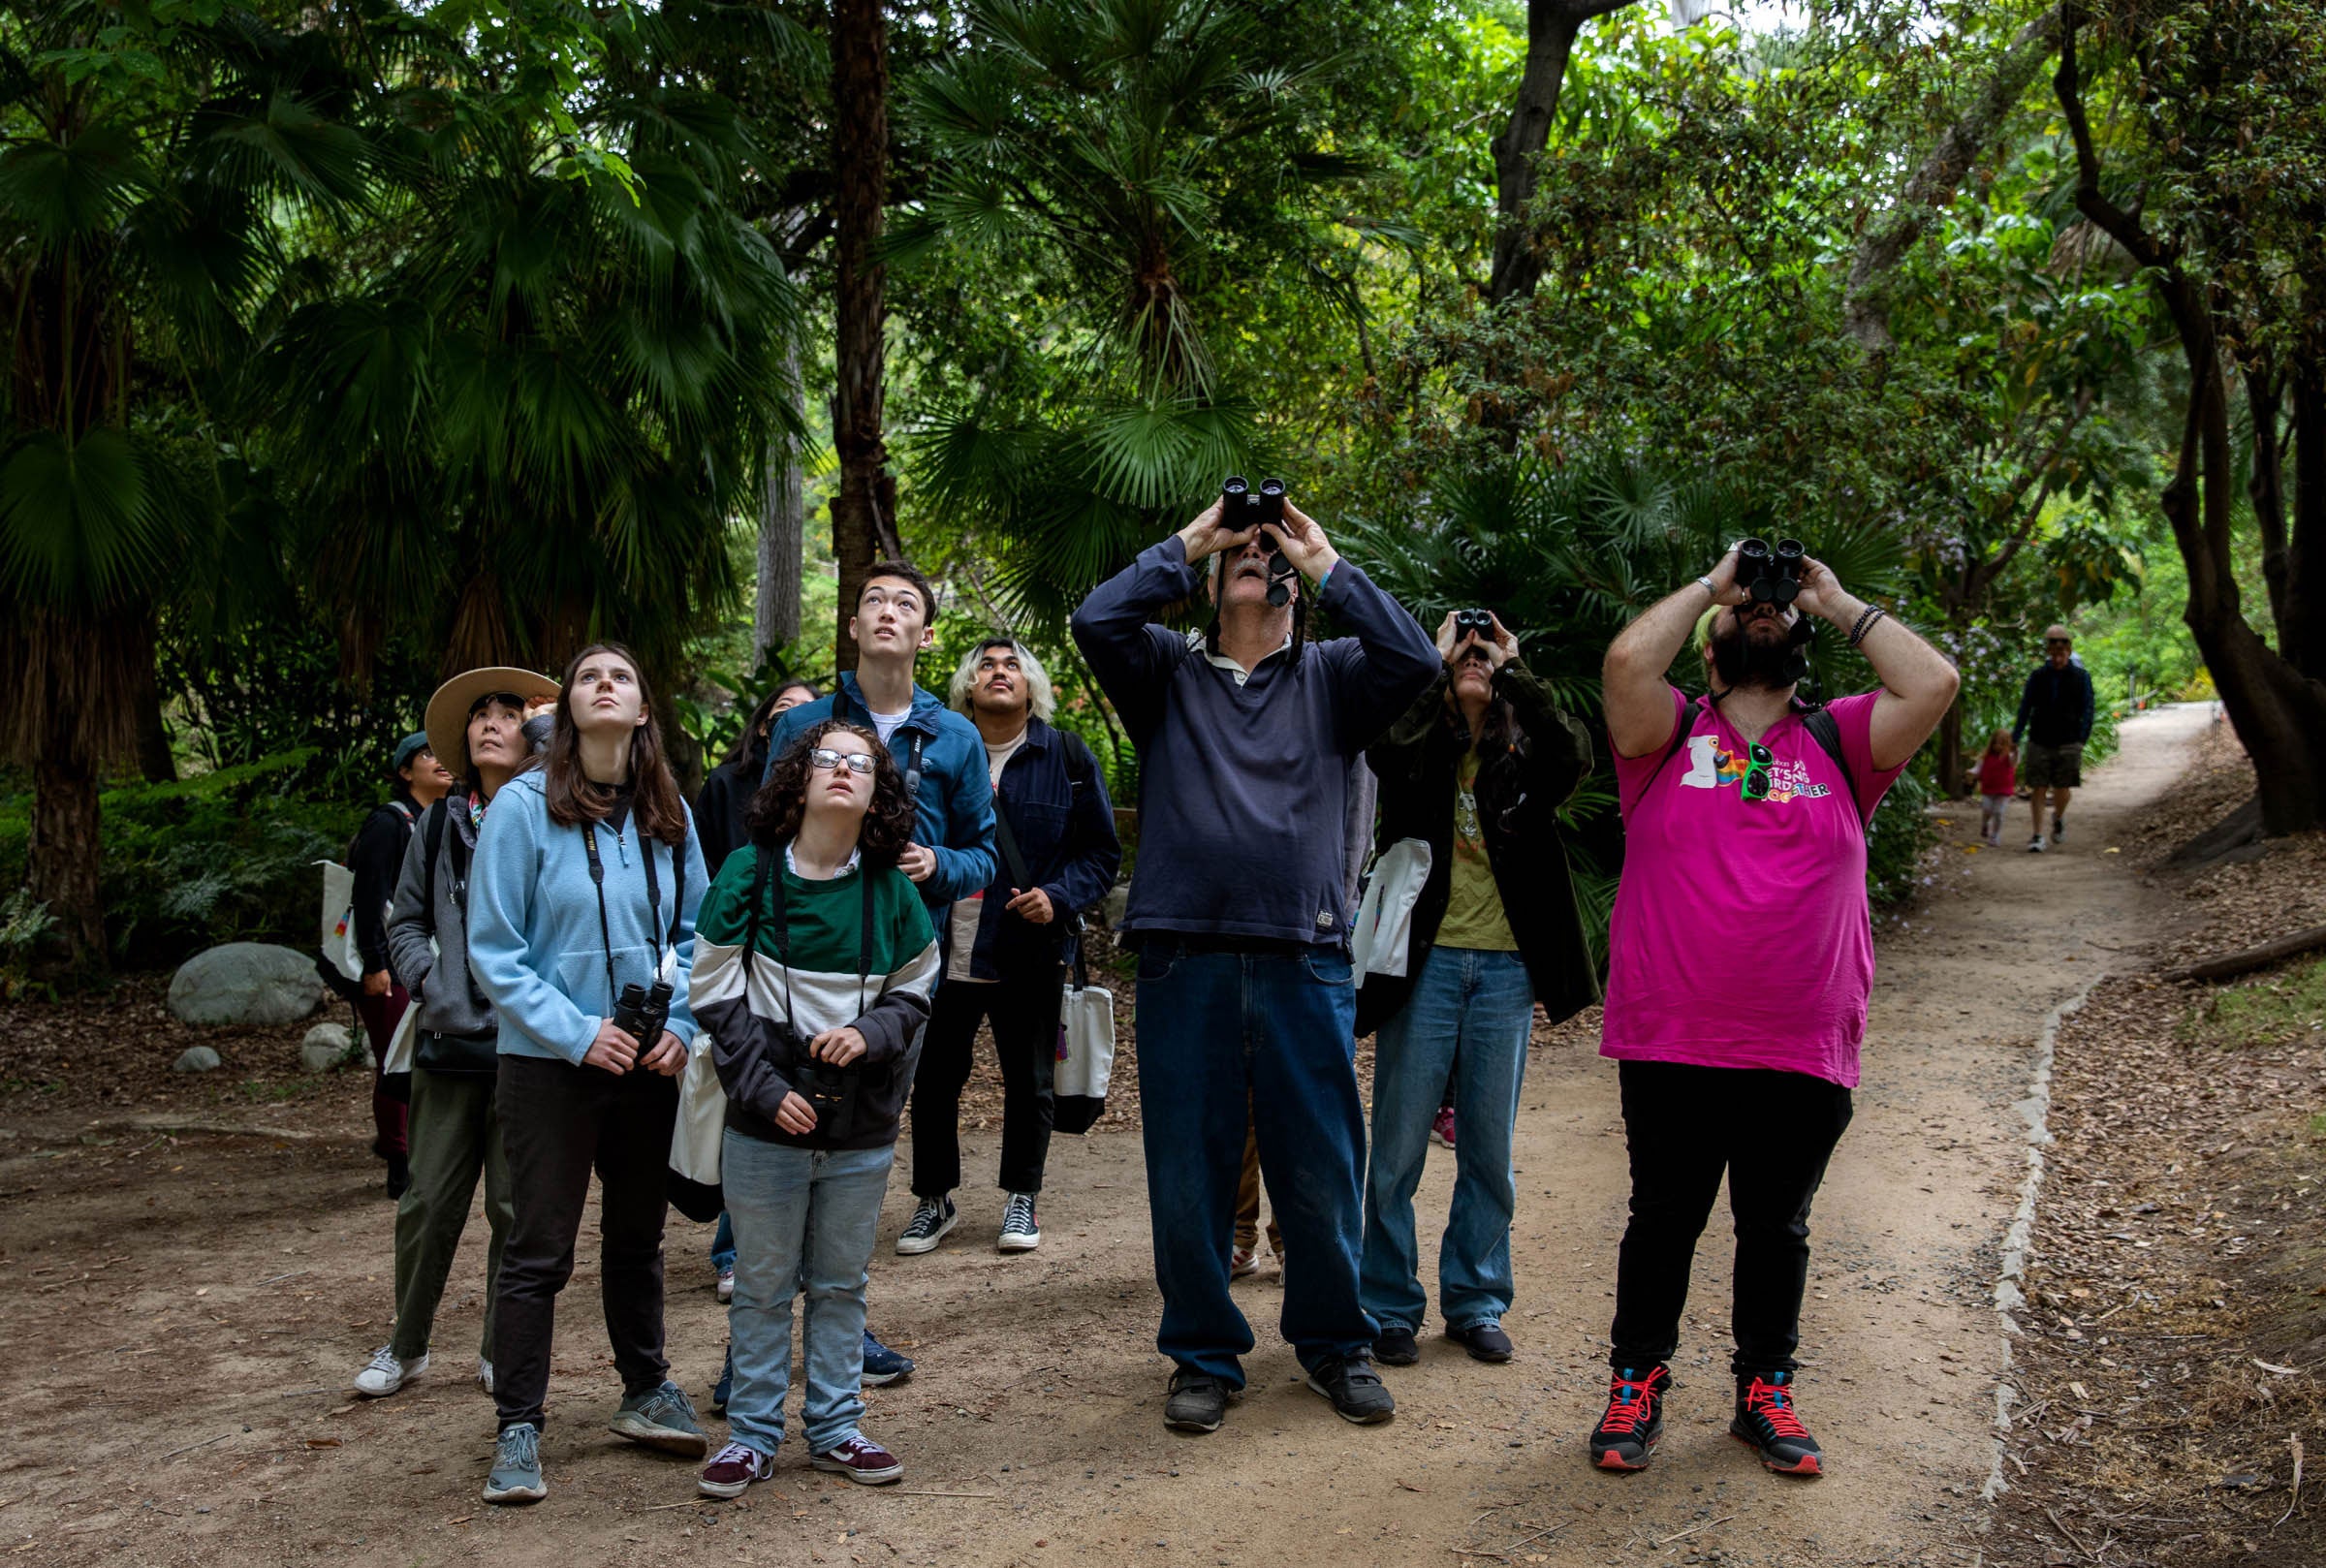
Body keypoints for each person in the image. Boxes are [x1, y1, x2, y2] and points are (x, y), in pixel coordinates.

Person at [1072, 489, 1438, 1434]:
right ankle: (1202, 1355)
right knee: (1188, 1172)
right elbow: (1096, 619)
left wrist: (1319, 553)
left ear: (1295, 587)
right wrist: (1200, 534)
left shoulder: (1334, 674)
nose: (1255, 554)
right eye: (1239, 551)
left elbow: (1416, 659)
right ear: (1206, 583)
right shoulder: (1166, 670)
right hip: (1183, 956)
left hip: (1303, 957)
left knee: (1320, 1167)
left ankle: (1336, 1346)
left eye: (1269, 553)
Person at [1587, 548, 1956, 1477]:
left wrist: (1830, 598)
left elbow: (1935, 683)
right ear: (1711, 650)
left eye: (1776, 609)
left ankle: (1764, 1390)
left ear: (1803, 645)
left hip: (1802, 1039)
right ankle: (1636, 1383)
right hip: (1674, 1038)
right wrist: (1714, 586)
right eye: (1743, 611)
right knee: (1662, 1219)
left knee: (1775, 1227)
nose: (1764, 611)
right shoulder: (1666, 734)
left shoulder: (1842, 742)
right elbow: (1626, 662)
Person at [467, 643, 712, 1505]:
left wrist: (681, 1024)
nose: (605, 685)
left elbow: (699, 935)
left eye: (622, 677)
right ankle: (518, 1424)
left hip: (647, 1060)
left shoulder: (666, 809)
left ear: (643, 710)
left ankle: (645, 1390)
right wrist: (578, 1034)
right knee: (538, 1249)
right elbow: (494, 951)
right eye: (587, 677)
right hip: (550, 1065)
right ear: (566, 708)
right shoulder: (521, 808)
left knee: (639, 1239)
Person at [690, 719, 942, 1497]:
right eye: (826, 758)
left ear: (877, 794)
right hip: (766, 1119)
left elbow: (916, 991)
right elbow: (712, 993)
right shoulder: (748, 871)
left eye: (859, 764)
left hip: (859, 1121)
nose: (840, 770)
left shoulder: (891, 890)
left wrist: (867, 1034)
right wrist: (767, 1090)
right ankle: (753, 1436)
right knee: (762, 1282)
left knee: (840, 1282)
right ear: (799, 778)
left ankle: (835, 1427)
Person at [762, 561, 995, 1383]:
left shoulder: (957, 736)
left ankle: (841, 1332)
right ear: (854, 626)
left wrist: (941, 865)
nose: (888, 612)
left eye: (905, 604)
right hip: (797, 965)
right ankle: (753, 1348)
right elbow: (764, 835)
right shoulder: (806, 727)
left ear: (926, 635)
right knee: (779, 1145)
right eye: (873, 601)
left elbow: (984, 852)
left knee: (861, 1152)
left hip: (898, 973)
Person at [1357, 610, 1596, 1368]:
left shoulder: (1525, 754)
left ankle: (1476, 1300)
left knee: (1488, 1149)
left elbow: (1576, 755)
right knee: (1397, 1150)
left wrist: (1512, 665)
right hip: (1423, 966)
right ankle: (1387, 1306)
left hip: (1504, 969)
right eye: (1464, 648)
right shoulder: (1418, 744)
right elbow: (1381, 750)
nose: (1474, 656)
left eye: (1483, 650)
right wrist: (1433, 665)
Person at [355, 669, 559, 1400]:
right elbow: (405, 917)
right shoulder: (440, 822)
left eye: (509, 713)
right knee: (426, 1202)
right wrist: (430, 979)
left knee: (513, 1208)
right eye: (480, 715)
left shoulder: (553, 816)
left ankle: (503, 1348)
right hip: (448, 1041)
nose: (492, 724)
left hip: (528, 1044)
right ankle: (406, 1345)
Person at [896, 637, 1120, 1257]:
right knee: (934, 1079)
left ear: (1031, 687)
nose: (1000, 672)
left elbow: (1100, 852)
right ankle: (933, 1198)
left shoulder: (1066, 755)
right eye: (987, 665)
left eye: (1013, 665)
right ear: (968, 686)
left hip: (1028, 947)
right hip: (942, 944)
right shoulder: (937, 751)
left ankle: (1023, 1196)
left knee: (1030, 1080)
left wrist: (1059, 896)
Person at [696, 678, 820, 1309]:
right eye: (783, 710)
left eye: (809, 710)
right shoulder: (725, 785)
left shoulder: (833, 790)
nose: (796, 719)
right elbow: (708, 869)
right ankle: (733, 1252)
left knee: (804, 1113)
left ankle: (794, 1254)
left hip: (811, 970)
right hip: (740, 957)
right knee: (748, 1101)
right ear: (765, 725)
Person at [351, 733, 454, 1197]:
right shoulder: (388, 823)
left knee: (420, 1055)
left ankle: (416, 1149)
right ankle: (399, 1160)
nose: (439, 761)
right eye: (426, 755)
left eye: (442, 752)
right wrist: (375, 963)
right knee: (396, 1060)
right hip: (389, 963)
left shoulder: (448, 817)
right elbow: (368, 894)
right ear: (405, 772)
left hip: (428, 959)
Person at [2013, 624, 2093, 853]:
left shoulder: (2081, 677)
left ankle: (2058, 816)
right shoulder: (2038, 677)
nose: (2058, 658)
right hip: (2040, 738)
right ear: (2049, 652)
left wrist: (2082, 738)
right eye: (2054, 653)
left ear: (2068, 652)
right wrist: (2016, 736)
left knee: (2062, 788)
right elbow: (2025, 707)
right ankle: (2037, 835)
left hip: (2069, 739)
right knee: (2038, 787)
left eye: (2062, 654)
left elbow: (2088, 709)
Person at [1975, 730, 2017, 847]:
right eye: (1996, 743)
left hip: (2003, 790)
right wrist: (1973, 773)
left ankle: (1995, 834)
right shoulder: (1985, 757)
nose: (1998, 746)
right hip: (1988, 789)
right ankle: (1985, 823)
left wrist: (2015, 752)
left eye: (2001, 743)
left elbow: (2014, 763)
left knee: (1999, 812)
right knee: (1987, 809)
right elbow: (1978, 768)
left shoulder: (2009, 757)